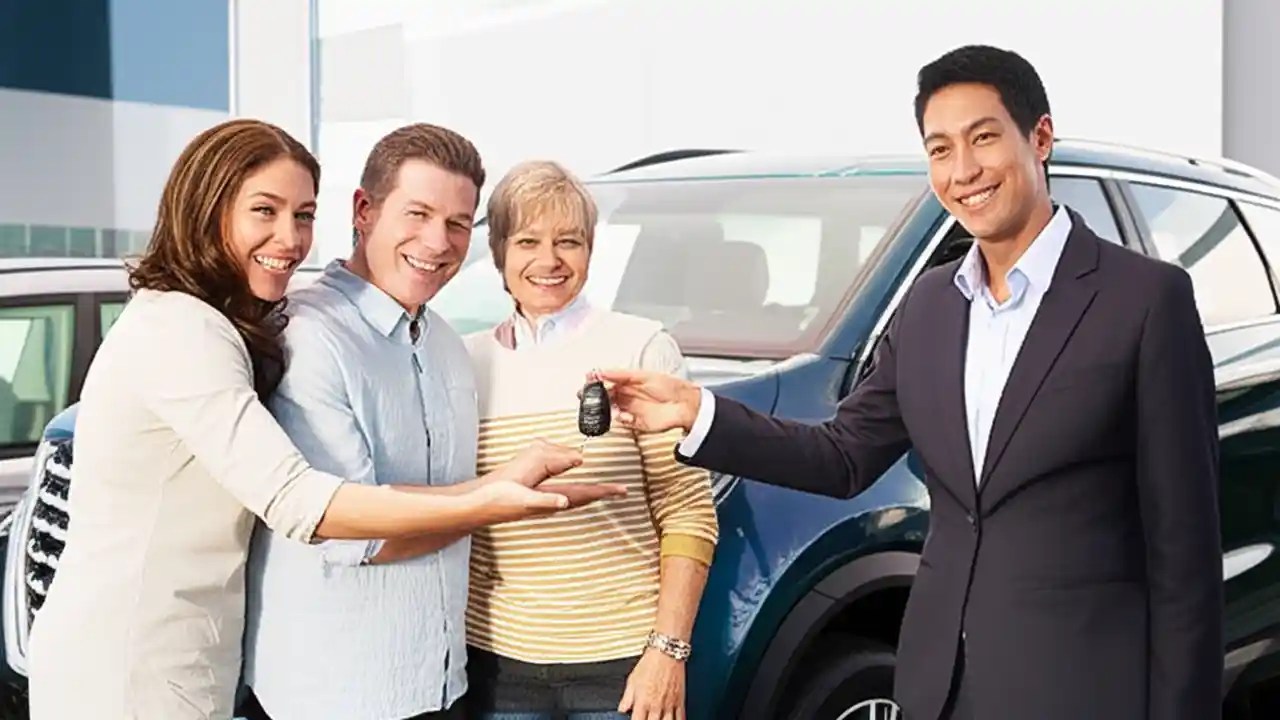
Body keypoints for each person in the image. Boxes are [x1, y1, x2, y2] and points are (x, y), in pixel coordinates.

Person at [594, 45, 1222, 720]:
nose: (964, 171)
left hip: (1083, 689)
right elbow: (843, 455)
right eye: (940, 149)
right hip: (940, 689)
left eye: (983, 138)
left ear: (1040, 137)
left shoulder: (1145, 300)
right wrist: (699, 413)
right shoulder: (929, 306)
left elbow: (1184, 555)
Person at [25, 119, 599, 720]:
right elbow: (307, 505)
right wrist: (494, 500)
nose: (290, 238)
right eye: (264, 211)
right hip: (136, 668)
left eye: (302, 216)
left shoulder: (430, 345)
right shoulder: (194, 330)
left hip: (222, 662)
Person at [239, 128, 624, 720]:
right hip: (334, 698)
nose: (437, 242)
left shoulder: (445, 343)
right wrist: (499, 499)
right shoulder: (308, 337)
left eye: (457, 223)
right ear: (364, 211)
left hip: (444, 688)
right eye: (417, 214)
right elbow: (356, 534)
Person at [461, 160, 720, 720]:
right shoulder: (462, 362)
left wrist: (667, 653)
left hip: (622, 667)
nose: (548, 260)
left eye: (568, 241)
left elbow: (687, 512)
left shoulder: (640, 348)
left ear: (591, 250)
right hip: (495, 667)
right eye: (528, 241)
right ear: (499, 252)